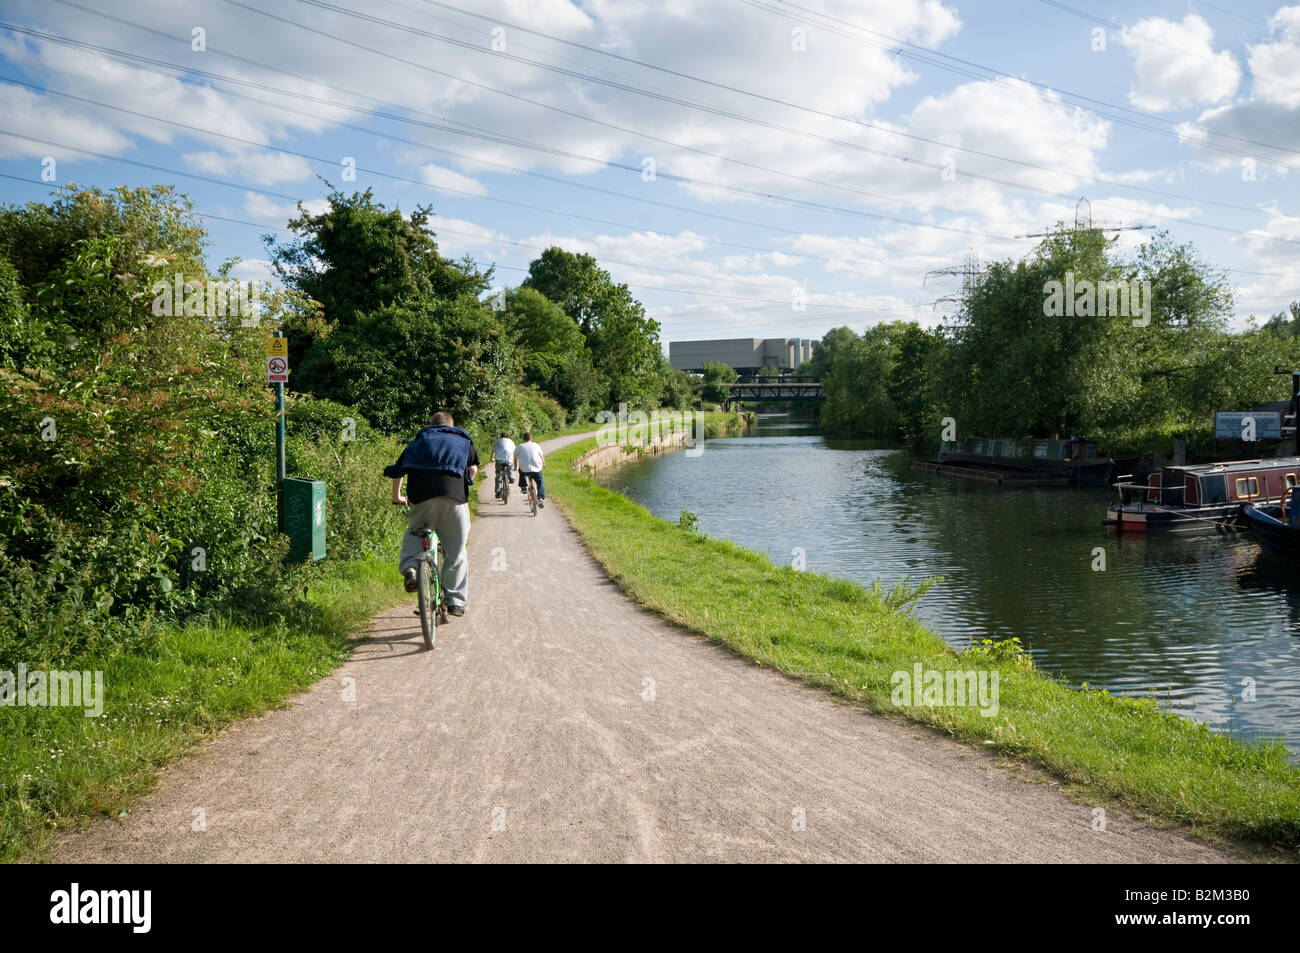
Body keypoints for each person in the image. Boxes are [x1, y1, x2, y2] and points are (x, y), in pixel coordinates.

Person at [384, 411, 478, 617]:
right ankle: (455, 601)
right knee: (456, 551)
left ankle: (411, 568)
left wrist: (397, 497)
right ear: (451, 426)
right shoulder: (462, 440)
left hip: (422, 496)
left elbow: (398, 471)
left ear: (430, 425)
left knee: (415, 532)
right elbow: (472, 469)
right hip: (454, 497)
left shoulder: (418, 441)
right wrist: (465, 483)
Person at [514, 431, 545, 508]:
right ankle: (540, 498)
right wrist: (543, 464)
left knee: (521, 471)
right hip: (536, 469)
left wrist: (515, 468)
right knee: (540, 481)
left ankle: (523, 486)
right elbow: (542, 457)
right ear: (532, 439)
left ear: (523, 439)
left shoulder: (519, 446)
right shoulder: (536, 445)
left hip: (525, 469)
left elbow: (515, 458)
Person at [492, 431, 516, 500]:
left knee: (498, 474)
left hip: (499, 460)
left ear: (501, 436)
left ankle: (498, 491)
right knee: (510, 466)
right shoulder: (511, 441)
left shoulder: (497, 441)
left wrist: (491, 459)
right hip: (509, 460)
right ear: (508, 436)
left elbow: (493, 451)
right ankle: (511, 477)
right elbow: (514, 451)